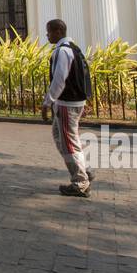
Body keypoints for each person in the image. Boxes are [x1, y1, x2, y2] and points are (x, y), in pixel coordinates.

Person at [41, 19, 95, 198]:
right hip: (72, 103)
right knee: (61, 136)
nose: (47, 35)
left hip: (67, 104)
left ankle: (80, 182)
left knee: (69, 143)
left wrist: (47, 102)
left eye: (48, 31)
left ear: (58, 31)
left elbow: (59, 80)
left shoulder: (63, 51)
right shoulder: (73, 48)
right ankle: (85, 170)